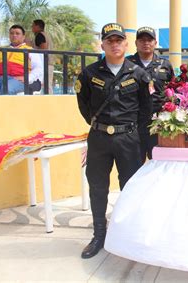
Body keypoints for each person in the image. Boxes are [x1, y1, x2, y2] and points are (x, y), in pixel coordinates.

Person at [75, 23, 152, 259]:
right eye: (110, 40)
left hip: (128, 139)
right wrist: (99, 126)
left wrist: (134, 135)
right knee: (98, 187)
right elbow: (84, 106)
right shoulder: (89, 73)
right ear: (103, 44)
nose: (115, 44)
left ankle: (129, 235)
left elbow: (145, 110)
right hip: (99, 138)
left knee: (130, 187)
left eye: (119, 40)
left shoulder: (138, 74)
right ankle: (99, 234)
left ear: (126, 44)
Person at [127, 26, 174, 162]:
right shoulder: (127, 64)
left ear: (155, 43)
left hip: (159, 123)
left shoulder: (165, 65)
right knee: (133, 167)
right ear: (136, 43)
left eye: (149, 40)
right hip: (134, 123)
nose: (146, 43)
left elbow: (173, 90)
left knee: (160, 165)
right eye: (142, 40)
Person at [0, 24, 43, 94]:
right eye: (12, 33)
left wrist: (28, 78)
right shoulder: (1, 49)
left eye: (17, 33)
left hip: (17, 79)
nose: (14, 35)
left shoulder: (30, 50)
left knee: (7, 88)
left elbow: (39, 68)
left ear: (23, 37)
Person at [32, 19, 54, 93]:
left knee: (46, 86)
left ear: (37, 26)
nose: (32, 28)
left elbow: (43, 49)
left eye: (33, 26)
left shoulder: (40, 35)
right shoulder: (46, 35)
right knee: (47, 85)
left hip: (44, 64)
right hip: (48, 63)